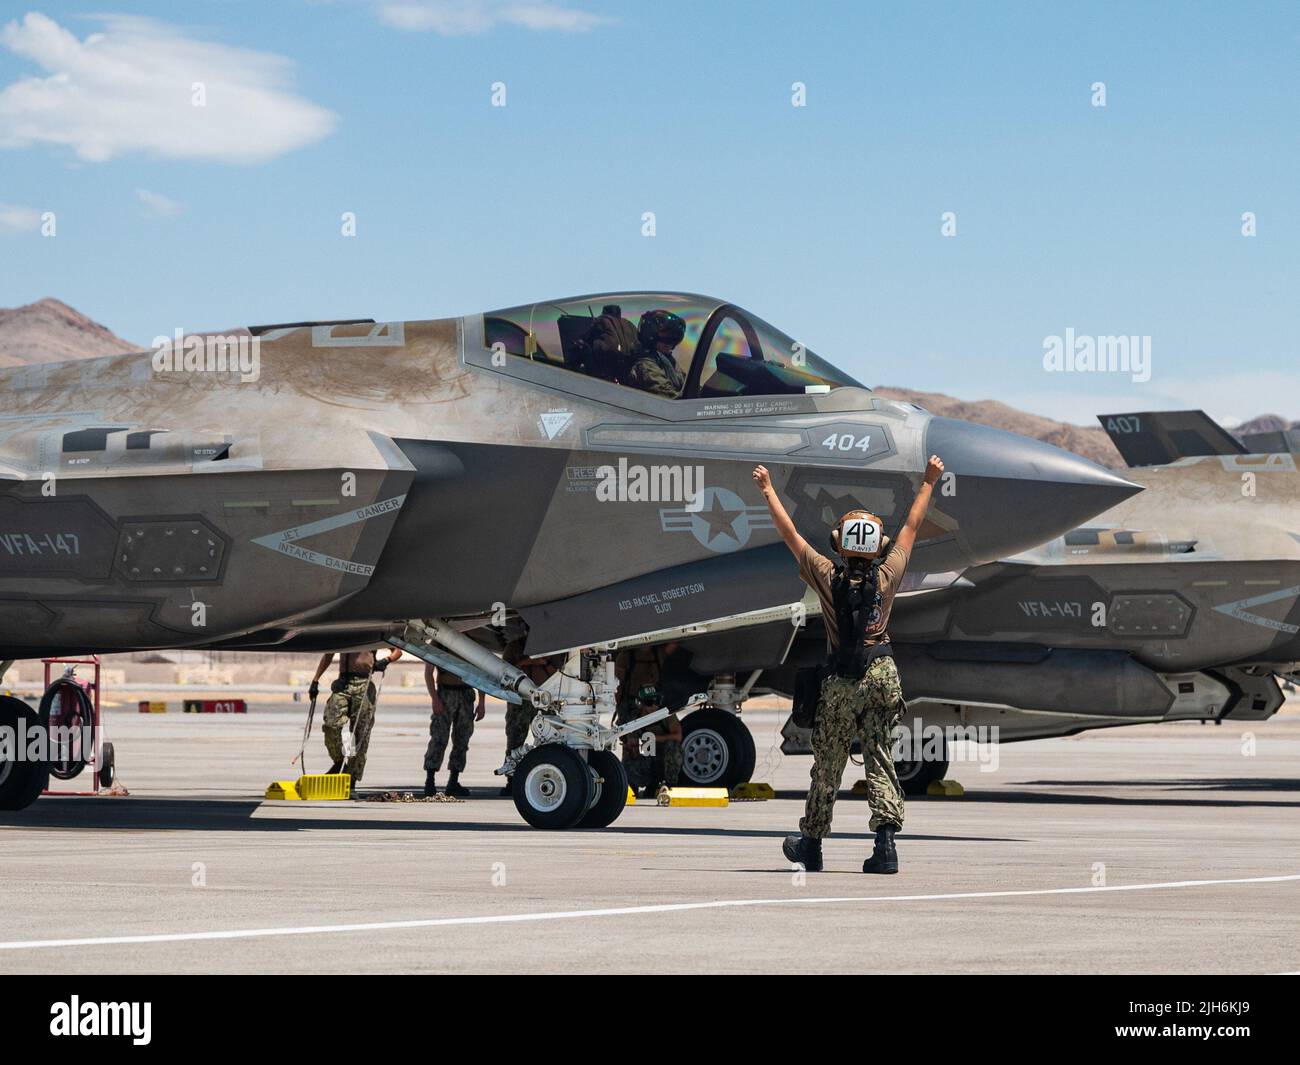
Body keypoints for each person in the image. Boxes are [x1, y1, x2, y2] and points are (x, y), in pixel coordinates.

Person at [753, 454, 944, 874]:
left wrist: (768, 490)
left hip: (843, 680)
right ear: (877, 546)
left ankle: (812, 843)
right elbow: (911, 527)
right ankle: (886, 846)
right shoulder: (888, 575)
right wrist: (929, 481)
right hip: (882, 674)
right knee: (880, 756)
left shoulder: (825, 573)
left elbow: (791, 536)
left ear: (840, 542)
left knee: (829, 762)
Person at [310, 647, 402, 787]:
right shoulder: (345, 630)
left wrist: (386, 660)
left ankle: (351, 778)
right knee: (331, 725)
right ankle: (339, 762)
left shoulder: (372, 629)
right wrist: (315, 680)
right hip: (343, 684)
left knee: (359, 735)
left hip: (364, 684)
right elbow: (329, 654)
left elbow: (397, 650)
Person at [499, 639, 561, 795]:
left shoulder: (553, 646)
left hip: (545, 700)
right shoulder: (514, 647)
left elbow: (559, 674)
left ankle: (546, 778)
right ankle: (511, 780)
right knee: (515, 740)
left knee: (548, 740)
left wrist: (543, 663)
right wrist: (529, 661)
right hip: (520, 700)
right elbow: (502, 671)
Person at [423, 664, 485, 797]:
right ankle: (430, 781)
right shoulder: (439, 644)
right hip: (445, 693)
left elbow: (480, 674)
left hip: (466, 693)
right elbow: (428, 672)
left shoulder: (472, 646)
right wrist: (435, 698)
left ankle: (453, 781)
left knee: (462, 739)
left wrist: (482, 702)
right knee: (439, 738)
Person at [618, 684, 683, 798]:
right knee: (629, 754)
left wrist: (655, 739)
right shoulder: (634, 719)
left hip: (663, 758)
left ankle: (670, 785)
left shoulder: (665, 715)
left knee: (673, 746)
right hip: (646, 757)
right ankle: (632, 786)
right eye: (649, 702)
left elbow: (678, 736)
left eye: (656, 701)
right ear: (640, 704)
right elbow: (630, 741)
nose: (654, 706)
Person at [626, 309, 687, 398]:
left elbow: (687, 384)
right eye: (668, 337)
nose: (670, 344)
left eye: (675, 339)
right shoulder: (645, 364)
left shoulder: (667, 360)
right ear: (650, 335)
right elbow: (670, 398)